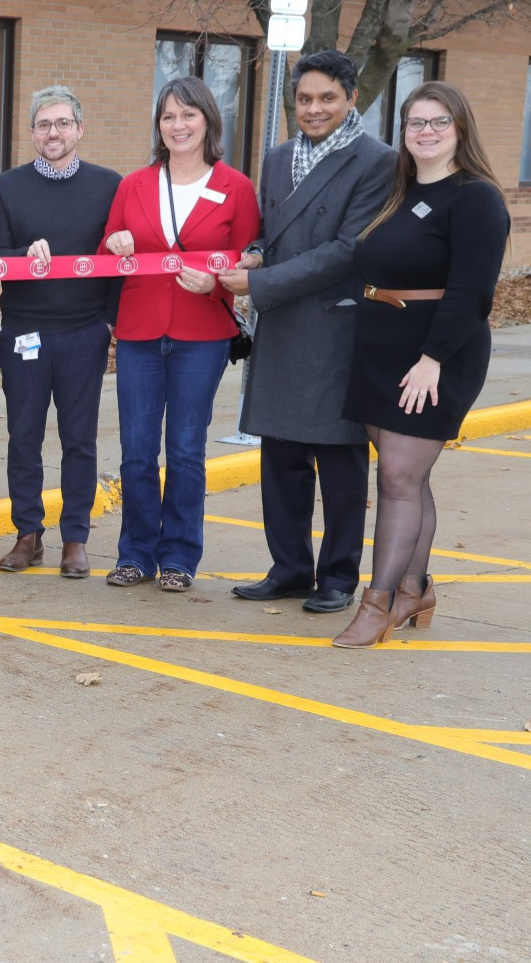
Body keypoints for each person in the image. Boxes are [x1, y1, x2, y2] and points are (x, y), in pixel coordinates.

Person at [331, 82, 510, 647]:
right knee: (409, 478)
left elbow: (472, 291)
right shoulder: (399, 190)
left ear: (460, 129)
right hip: (381, 348)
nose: (426, 132)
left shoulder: (477, 197)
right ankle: (416, 588)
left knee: (398, 478)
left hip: (436, 352)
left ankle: (377, 603)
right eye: (415, 122)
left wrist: (433, 358)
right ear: (402, 132)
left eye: (438, 122)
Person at [218, 51, 394, 615]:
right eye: (304, 99)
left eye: (326, 98)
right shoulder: (277, 157)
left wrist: (259, 282)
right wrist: (252, 255)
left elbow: (347, 250)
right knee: (282, 458)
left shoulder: (378, 162)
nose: (314, 109)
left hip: (337, 326)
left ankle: (338, 575)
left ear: (351, 99)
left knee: (340, 460)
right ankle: (290, 568)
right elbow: (273, 232)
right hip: (285, 324)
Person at [99, 76, 261, 591]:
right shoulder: (136, 184)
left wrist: (218, 281)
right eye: (169, 116)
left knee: (187, 448)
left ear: (208, 121)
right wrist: (115, 242)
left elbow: (247, 259)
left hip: (202, 332)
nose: (178, 125)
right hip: (141, 330)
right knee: (137, 448)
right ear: (159, 126)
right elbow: (108, 252)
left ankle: (179, 557)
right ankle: (136, 552)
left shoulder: (236, 187)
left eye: (188, 115)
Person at [0, 86, 122, 579]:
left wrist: (109, 320)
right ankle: (28, 534)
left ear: (79, 129)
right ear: (32, 133)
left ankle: (75, 538)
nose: (53, 133)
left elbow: (118, 260)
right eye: (44, 125)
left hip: (84, 331)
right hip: (26, 330)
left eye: (63, 123)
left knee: (78, 438)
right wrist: (24, 256)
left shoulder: (109, 185)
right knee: (22, 434)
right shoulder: (7, 186)